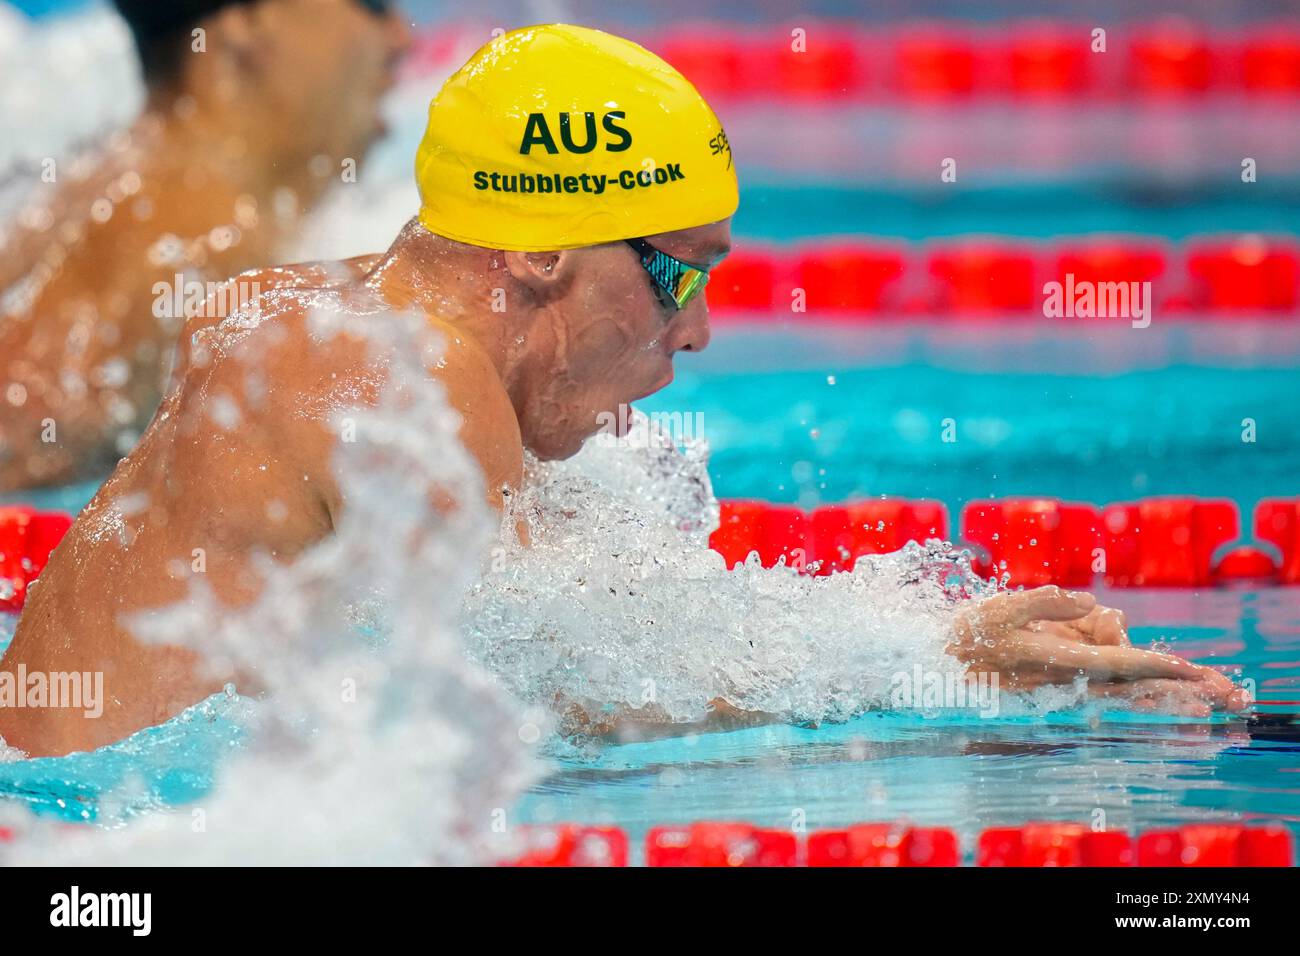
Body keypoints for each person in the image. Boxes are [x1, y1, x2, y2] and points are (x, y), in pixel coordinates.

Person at [0, 24, 1246, 758]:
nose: (696, 335)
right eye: (673, 276)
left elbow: (579, 623)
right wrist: (934, 664)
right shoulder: (385, 376)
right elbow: (548, 681)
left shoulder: (345, 315)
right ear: (540, 249)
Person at [0, 0, 410, 492]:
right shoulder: (195, 238)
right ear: (245, 19)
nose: (403, 37)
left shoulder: (118, 181)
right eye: (373, 5)